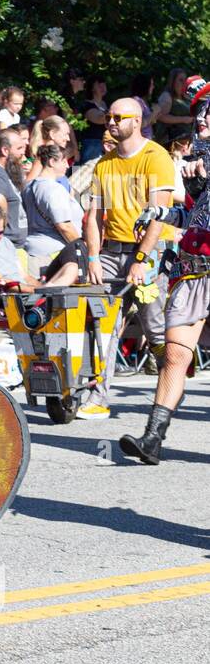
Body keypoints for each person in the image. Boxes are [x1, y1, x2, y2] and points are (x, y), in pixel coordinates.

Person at [120, 79, 210, 464]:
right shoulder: (198, 160)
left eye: (208, 110)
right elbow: (196, 216)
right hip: (195, 268)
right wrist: (162, 213)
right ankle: (153, 439)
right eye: (199, 111)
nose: (202, 117)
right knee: (174, 354)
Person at [80, 97, 175, 418]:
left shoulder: (156, 157)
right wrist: (93, 256)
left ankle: (170, 387)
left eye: (118, 117)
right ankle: (98, 397)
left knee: (155, 328)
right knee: (103, 325)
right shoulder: (104, 164)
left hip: (150, 254)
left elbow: (158, 216)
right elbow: (94, 215)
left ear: (137, 121)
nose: (110, 122)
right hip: (111, 253)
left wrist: (140, 259)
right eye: (108, 117)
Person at [22, 144, 83, 267]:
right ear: (52, 162)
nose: (67, 165)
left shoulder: (28, 187)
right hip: (54, 256)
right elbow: (64, 226)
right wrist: (81, 249)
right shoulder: (53, 189)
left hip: (34, 250)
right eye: (64, 161)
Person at [68, 70, 108, 164]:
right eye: (99, 85)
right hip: (92, 145)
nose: (102, 87)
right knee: (88, 175)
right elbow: (99, 119)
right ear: (92, 88)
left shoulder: (105, 104)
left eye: (104, 84)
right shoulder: (87, 105)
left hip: (105, 144)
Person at [154, 67, 191, 143]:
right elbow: (160, 116)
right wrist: (184, 119)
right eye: (180, 80)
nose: (184, 83)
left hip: (185, 140)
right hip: (171, 141)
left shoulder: (185, 96)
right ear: (173, 81)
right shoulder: (167, 96)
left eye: (185, 80)